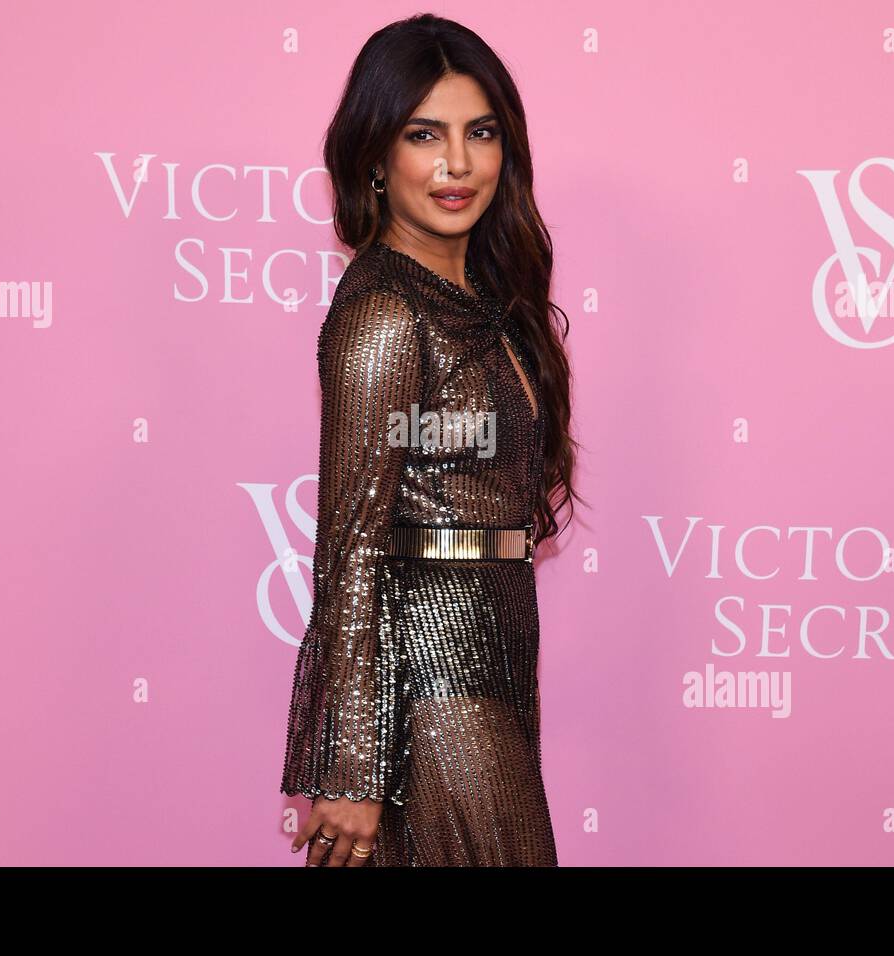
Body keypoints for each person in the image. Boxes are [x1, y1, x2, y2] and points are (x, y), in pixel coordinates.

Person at [279, 13, 583, 866]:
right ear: (375, 155)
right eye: (424, 134)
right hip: (430, 687)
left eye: (479, 132)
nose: (458, 164)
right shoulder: (384, 312)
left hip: (496, 661)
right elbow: (352, 545)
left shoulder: (491, 302)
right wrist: (350, 763)